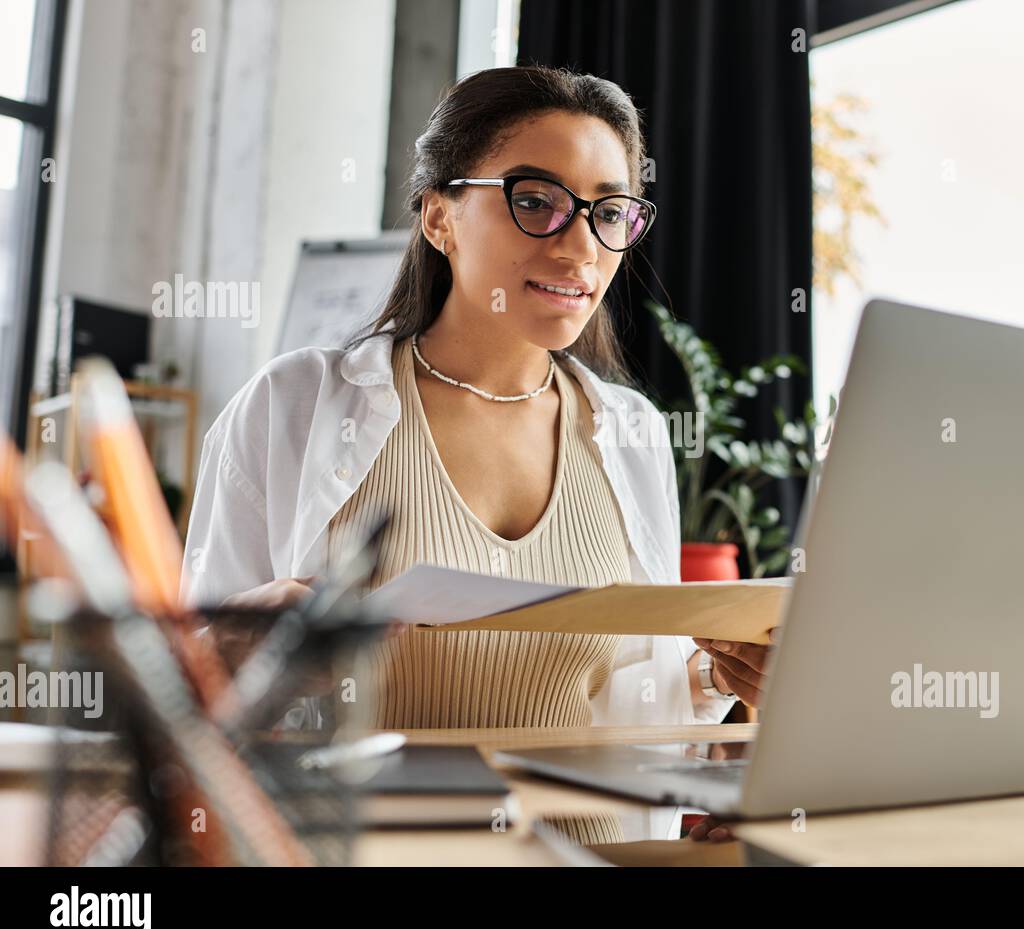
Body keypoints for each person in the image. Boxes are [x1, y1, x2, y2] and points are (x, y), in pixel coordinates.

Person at [182, 65, 775, 730]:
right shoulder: (292, 405)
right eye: (534, 201)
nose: (581, 246)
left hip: (596, 840)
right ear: (440, 216)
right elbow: (182, 694)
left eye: (608, 213)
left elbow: (634, 698)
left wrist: (717, 674)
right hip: (369, 836)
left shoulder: (632, 430)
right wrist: (236, 651)